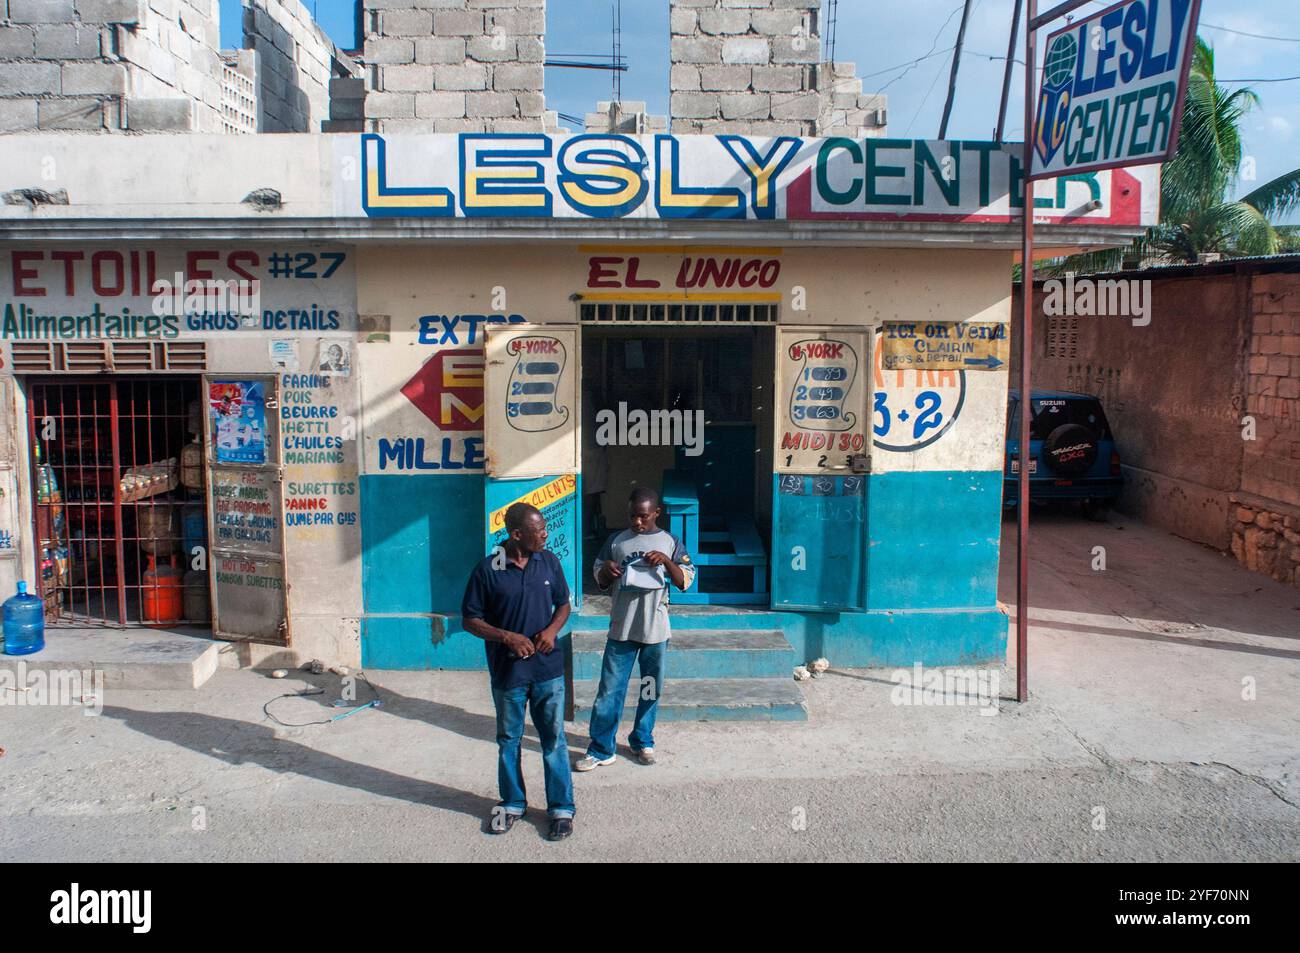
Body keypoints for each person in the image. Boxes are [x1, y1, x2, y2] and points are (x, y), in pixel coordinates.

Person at [461, 502, 575, 840]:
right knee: (509, 740)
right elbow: (470, 620)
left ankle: (561, 809)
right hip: (508, 674)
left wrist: (552, 630)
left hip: (548, 673)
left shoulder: (549, 561)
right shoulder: (487, 569)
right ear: (516, 534)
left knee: (553, 740)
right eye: (538, 530)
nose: (545, 534)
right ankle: (512, 803)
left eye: (544, 529)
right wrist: (506, 637)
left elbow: (564, 603)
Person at [576, 486, 695, 771]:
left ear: (657, 513)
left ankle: (643, 740)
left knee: (649, 688)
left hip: (655, 631)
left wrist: (666, 561)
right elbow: (599, 578)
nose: (637, 522)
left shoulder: (670, 542)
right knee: (609, 691)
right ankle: (601, 748)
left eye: (643, 516)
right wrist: (607, 570)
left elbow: (685, 581)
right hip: (622, 629)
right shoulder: (616, 541)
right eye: (632, 516)